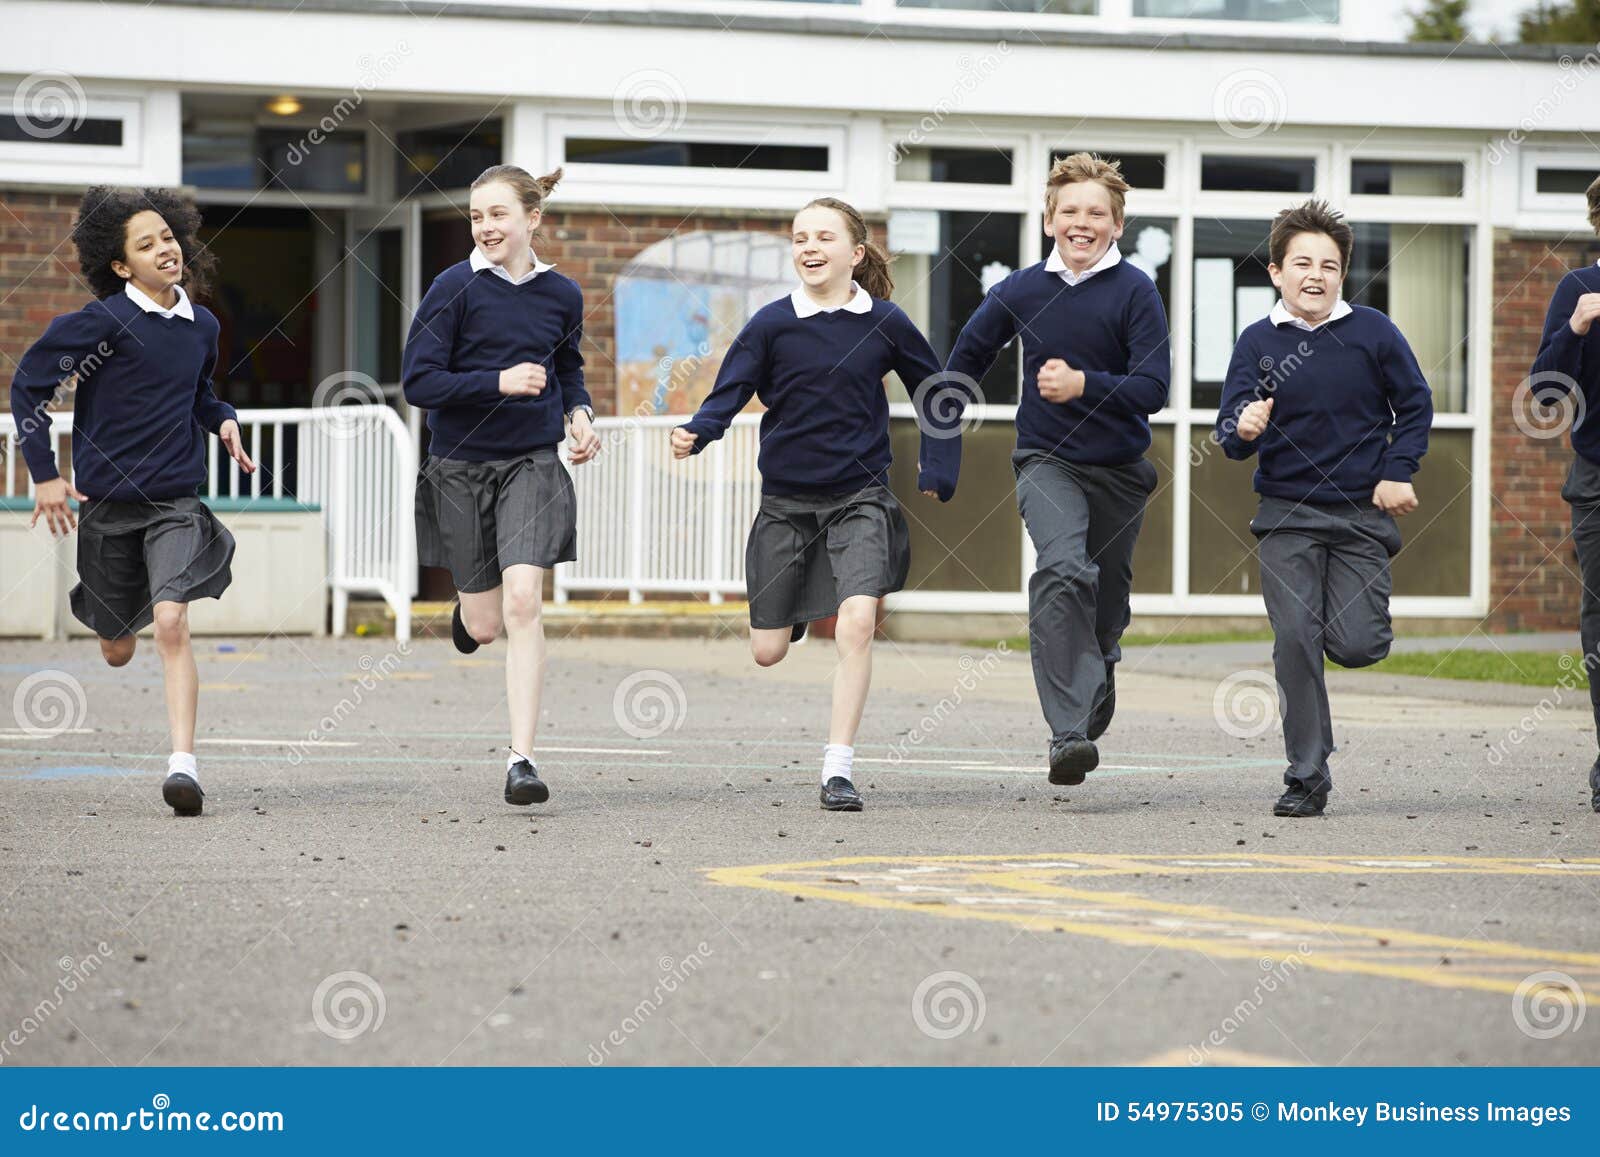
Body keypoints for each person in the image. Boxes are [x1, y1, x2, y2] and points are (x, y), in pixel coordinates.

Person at [9, 187, 256, 817]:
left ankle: (184, 767)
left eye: (166, 237)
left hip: (175, 500)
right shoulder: (99, 325)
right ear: (121, 267)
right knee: (118, 647)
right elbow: (29, 385)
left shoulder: (202, 325)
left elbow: (199, 395)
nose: (164, 250)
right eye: (145, 246)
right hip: (108, 507)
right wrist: (44, 474)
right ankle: (114, 619)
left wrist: (222, 418)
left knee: (172, 622)